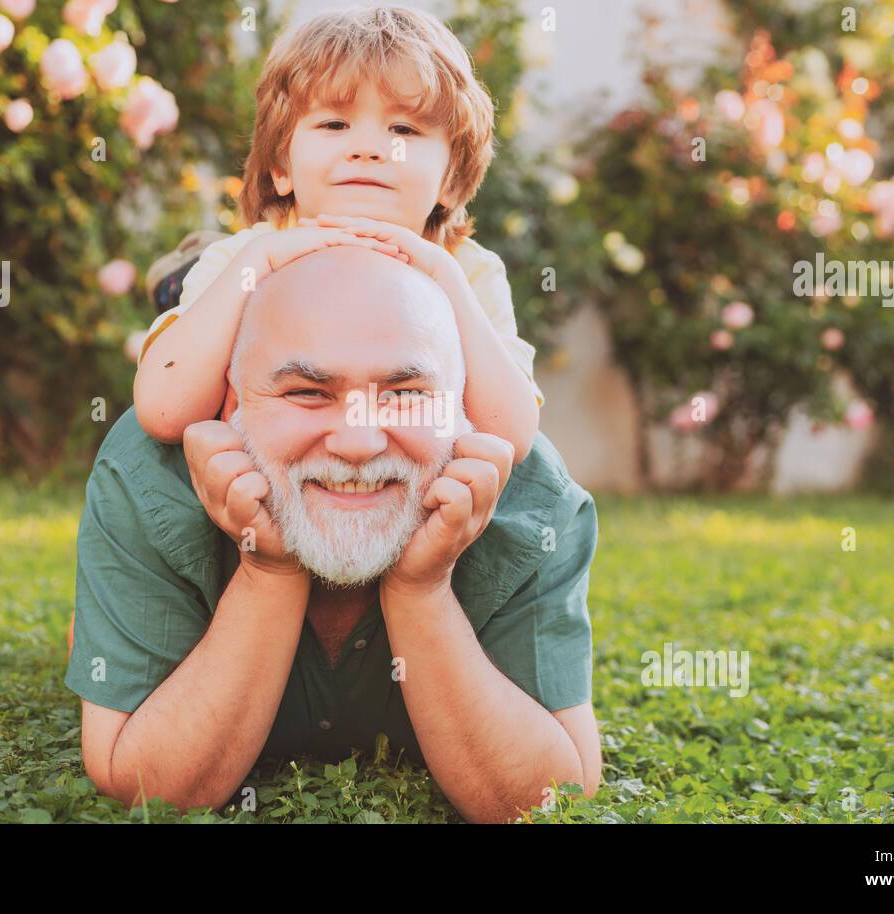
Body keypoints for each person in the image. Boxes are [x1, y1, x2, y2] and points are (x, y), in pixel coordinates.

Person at [66, 246, 601, 824]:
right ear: (229, 404)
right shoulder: (148, 475)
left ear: (465, 409)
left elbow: (550, 799)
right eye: (307, 392)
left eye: (405, 393)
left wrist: (422, 589)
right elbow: (151, 789)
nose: (358, 442)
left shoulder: (531, 500)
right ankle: (192, 272)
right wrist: (267, 571)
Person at [131, 5, 542, 466]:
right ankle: (182, 280)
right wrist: (257, 265)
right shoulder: (246, 257)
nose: (367, 149)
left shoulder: (467, 270)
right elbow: (164, 412)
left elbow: (511, 438)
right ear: (281, 166)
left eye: (403, 129)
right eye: (334, 124)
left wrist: (446, 282)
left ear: (451, 179)